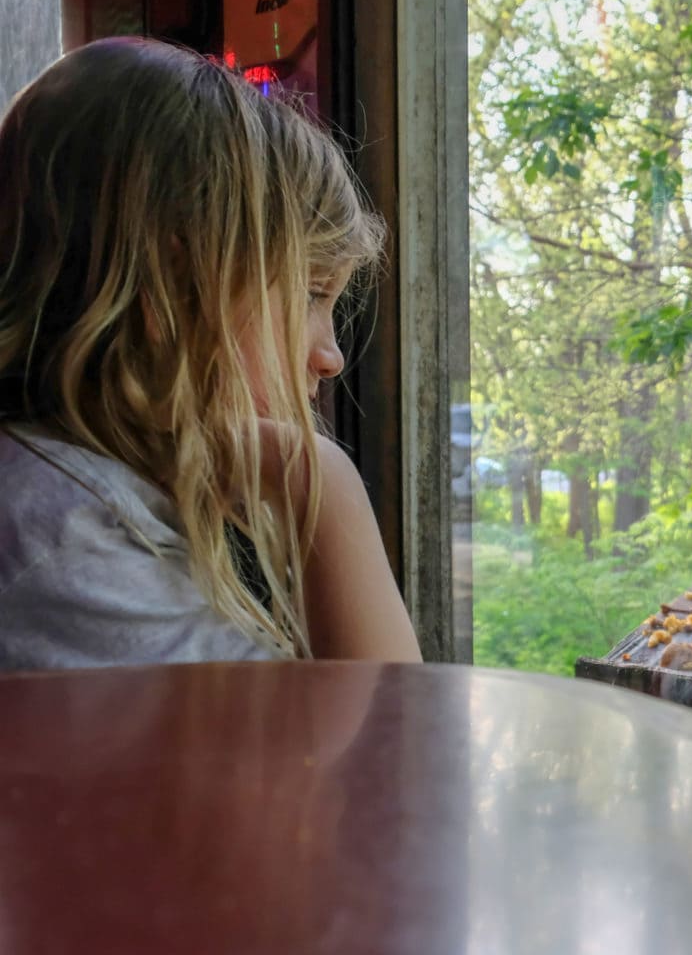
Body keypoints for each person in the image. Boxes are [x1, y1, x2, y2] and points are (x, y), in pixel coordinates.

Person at [0, 37, 422, 668]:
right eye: (311, 292)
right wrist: (323, 484)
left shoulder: (73, 493)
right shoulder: (65, 534)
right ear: (175, 286)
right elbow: (387, 728)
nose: (331, 357)